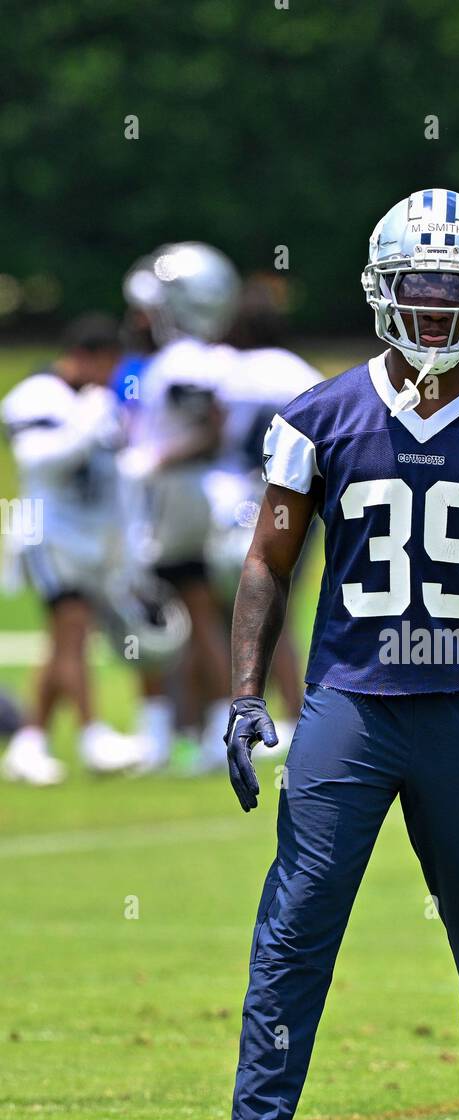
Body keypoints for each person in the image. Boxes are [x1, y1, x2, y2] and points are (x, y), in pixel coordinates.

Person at [211, 188, 459, 1120]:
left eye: (452, 289)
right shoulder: (321, 413)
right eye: (416, 288)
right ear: (383, 290)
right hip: (349, 704)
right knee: (295, 927)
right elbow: (263, 565)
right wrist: (244, 693)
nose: (431, 306)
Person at [1, 315, 142, 784]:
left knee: (63, 638)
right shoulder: (37, 395)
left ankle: (28, 741)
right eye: (106, 366)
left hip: (88, 536)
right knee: (73, 627)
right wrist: (87, 420)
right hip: (46, 531)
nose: (109, 379)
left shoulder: (96, 401)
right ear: (84, 357)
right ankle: (92, 732)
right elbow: (36, 458)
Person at [119, 242, 241, 772]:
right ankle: (199, 726)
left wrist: (155, 457)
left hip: (173, 496)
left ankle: (170, 732)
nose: (142, 318)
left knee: (154, 608)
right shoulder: (180, 359)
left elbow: (208, 431)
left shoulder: (184, 362)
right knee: (192, 609)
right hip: (182, 495)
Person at [206, 283, 323, 740]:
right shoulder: (304, 374)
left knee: (228, 608)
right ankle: (294, 715)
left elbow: (210, 432)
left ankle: (222, 716)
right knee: (282, 605)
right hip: (293, 500)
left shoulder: (225, 373)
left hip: (233, 502)